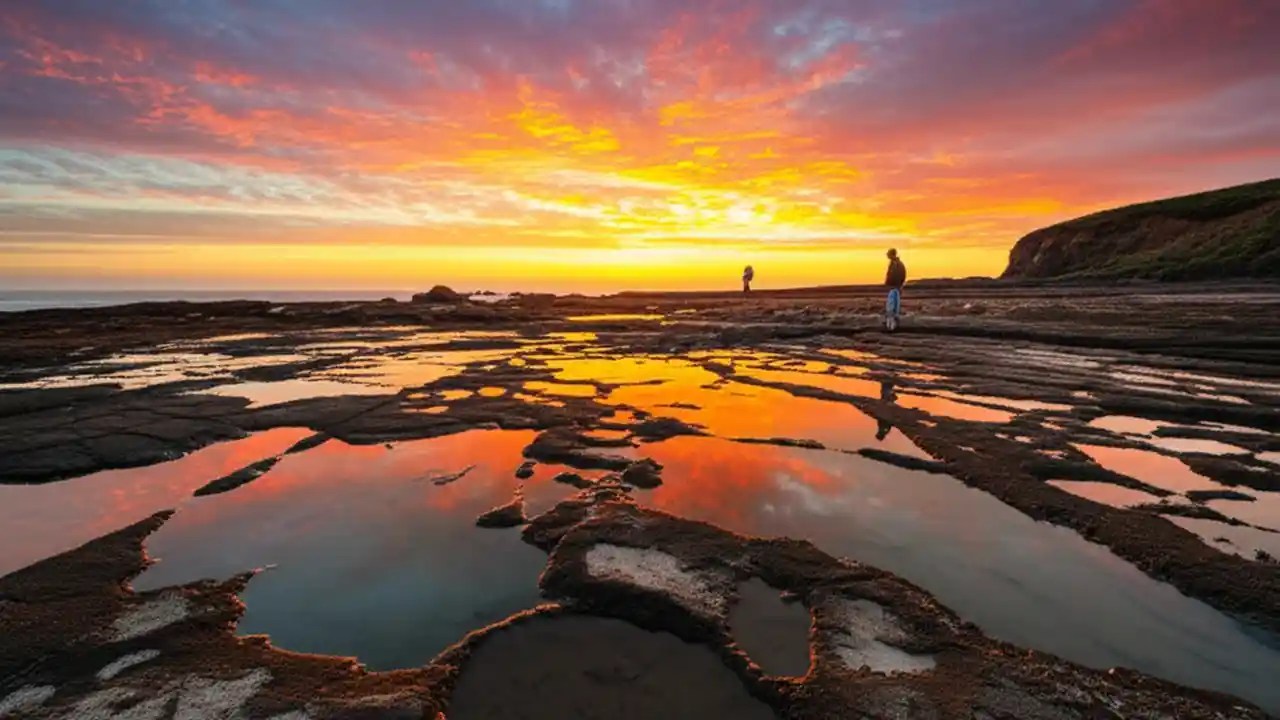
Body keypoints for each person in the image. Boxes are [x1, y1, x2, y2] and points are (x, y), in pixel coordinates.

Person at [883, 249, 906, 331]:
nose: (887, 255)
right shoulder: (896, 264)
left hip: (894, 287)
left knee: (892, 306)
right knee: (893, 306)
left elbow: (897, 276)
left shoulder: (896, 264)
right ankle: (891, 324)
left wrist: (893, 284)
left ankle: (891, 326)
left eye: (888, 254)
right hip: (895, 287)